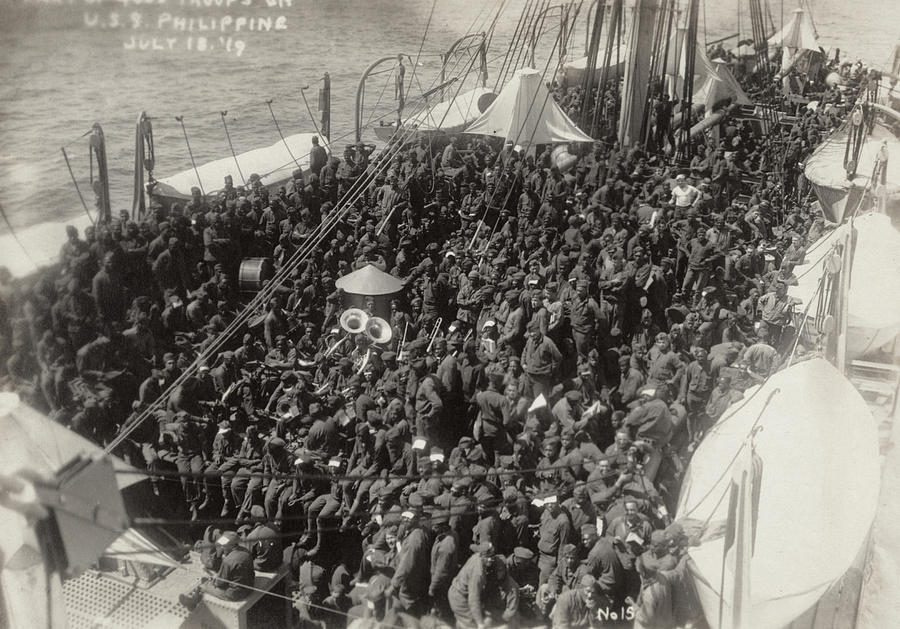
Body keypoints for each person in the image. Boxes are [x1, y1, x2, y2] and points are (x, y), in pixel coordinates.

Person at [179, 531, 255, 609]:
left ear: (231, 545)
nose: (221, 547)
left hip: (235, 594)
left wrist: (211, 579)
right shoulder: (246, 552)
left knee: (202, 586)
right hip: (250, 586)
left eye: (224, 545)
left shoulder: (228, 561)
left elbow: (219, 583)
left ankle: (192, 603)